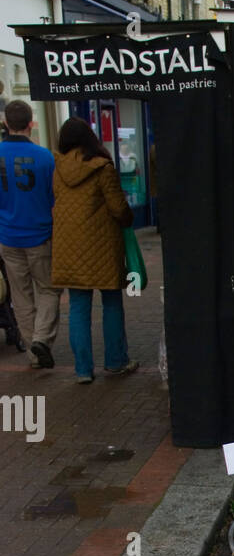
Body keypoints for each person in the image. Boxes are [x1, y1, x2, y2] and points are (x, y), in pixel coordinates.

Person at [52, 116, 137, 384]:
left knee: (78, 307)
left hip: (69, 247)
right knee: (111, 303)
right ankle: (115, 361)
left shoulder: (58, 168)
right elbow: (118, 208)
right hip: (102, 247)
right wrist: (127, 219)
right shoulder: (102, 167)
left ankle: (82, 370)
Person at [0, 99, 61, 368]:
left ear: (5, 124)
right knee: (49, 290)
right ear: (31, 124)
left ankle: (33, 353)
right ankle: (41, 338)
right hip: (41, 235)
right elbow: (54, 199)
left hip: (8, 237)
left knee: (21, 295)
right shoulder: (46, 157)